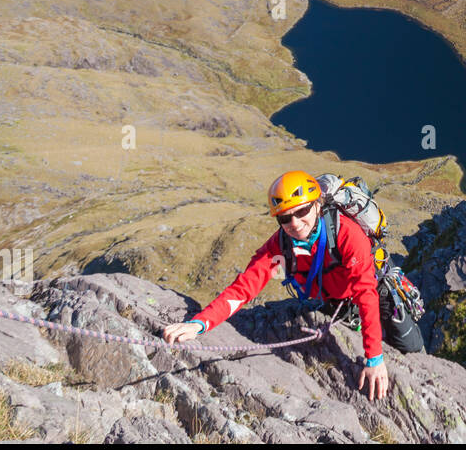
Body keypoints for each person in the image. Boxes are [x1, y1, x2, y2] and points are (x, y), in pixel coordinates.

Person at [162, 171, 390, 400]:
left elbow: (365, 293)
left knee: (407, 342)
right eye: (284, 218)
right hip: (329, 297)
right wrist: (199, 324)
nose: (295, 223)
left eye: (301, 211)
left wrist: (375, 359)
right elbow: (243, 290)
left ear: (317, 206)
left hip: (363, 287)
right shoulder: (280, 246)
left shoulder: (346, 234)